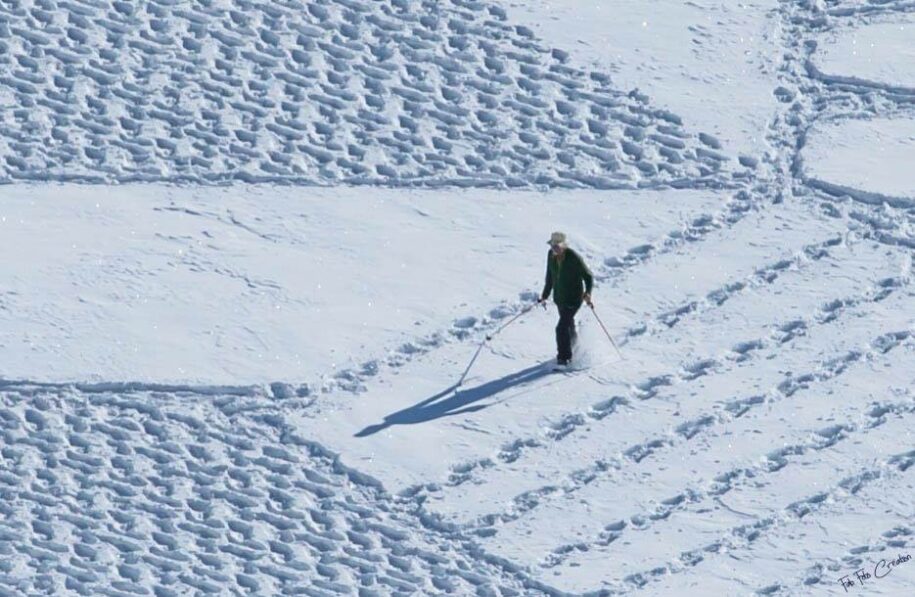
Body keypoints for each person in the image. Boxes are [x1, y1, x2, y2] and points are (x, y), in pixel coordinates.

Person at [539, 232, 594, 367]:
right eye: (552, 245)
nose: (554, 248)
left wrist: (588, 292)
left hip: (573, 298)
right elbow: (550, 277)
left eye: (557, 246)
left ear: (563, 246)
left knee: (561, 328)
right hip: (560, 298)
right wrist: (545, 295)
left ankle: (564, 359)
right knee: (569, 326)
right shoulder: (550, 255)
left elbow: (588, 276)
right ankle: (576, 347)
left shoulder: (573, 257)